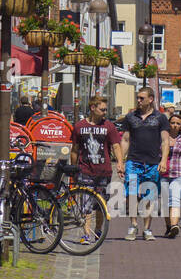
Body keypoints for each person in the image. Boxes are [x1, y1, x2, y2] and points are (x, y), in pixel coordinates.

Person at [71, 94, 123, 242]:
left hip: (104, 171)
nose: (105, 112)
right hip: (85, 170)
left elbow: (116, 145)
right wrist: (73, 168)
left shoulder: (108, 126)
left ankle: (98, 229)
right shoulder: (80, 126)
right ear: (93, 108)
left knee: (100, 204)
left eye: (106, 110)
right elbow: (74, 149)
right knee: (86, 203)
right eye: (102, 109)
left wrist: (120, 162)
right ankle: (86, 234)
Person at [120, 86, 169, 240]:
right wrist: (121, 161)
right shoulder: (130, 117)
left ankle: (147, 229)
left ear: (151, 99)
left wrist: (164, 160)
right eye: (138, 98)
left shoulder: (160, 118)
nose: (139, 101)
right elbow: (125, 139)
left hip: (153, 163)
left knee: (149, 197)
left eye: (142, 98)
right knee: (132, 195)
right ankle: (133, 225)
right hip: (133, 162)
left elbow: (165, 140)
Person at [163, 113, 181, 237]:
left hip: (179, 173)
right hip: (163, 173)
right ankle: (169, 227)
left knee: (174, 199)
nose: (175, 125)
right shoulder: (162, 137)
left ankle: (175, 225)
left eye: (178, 123)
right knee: (165, 202)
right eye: (173, 123)